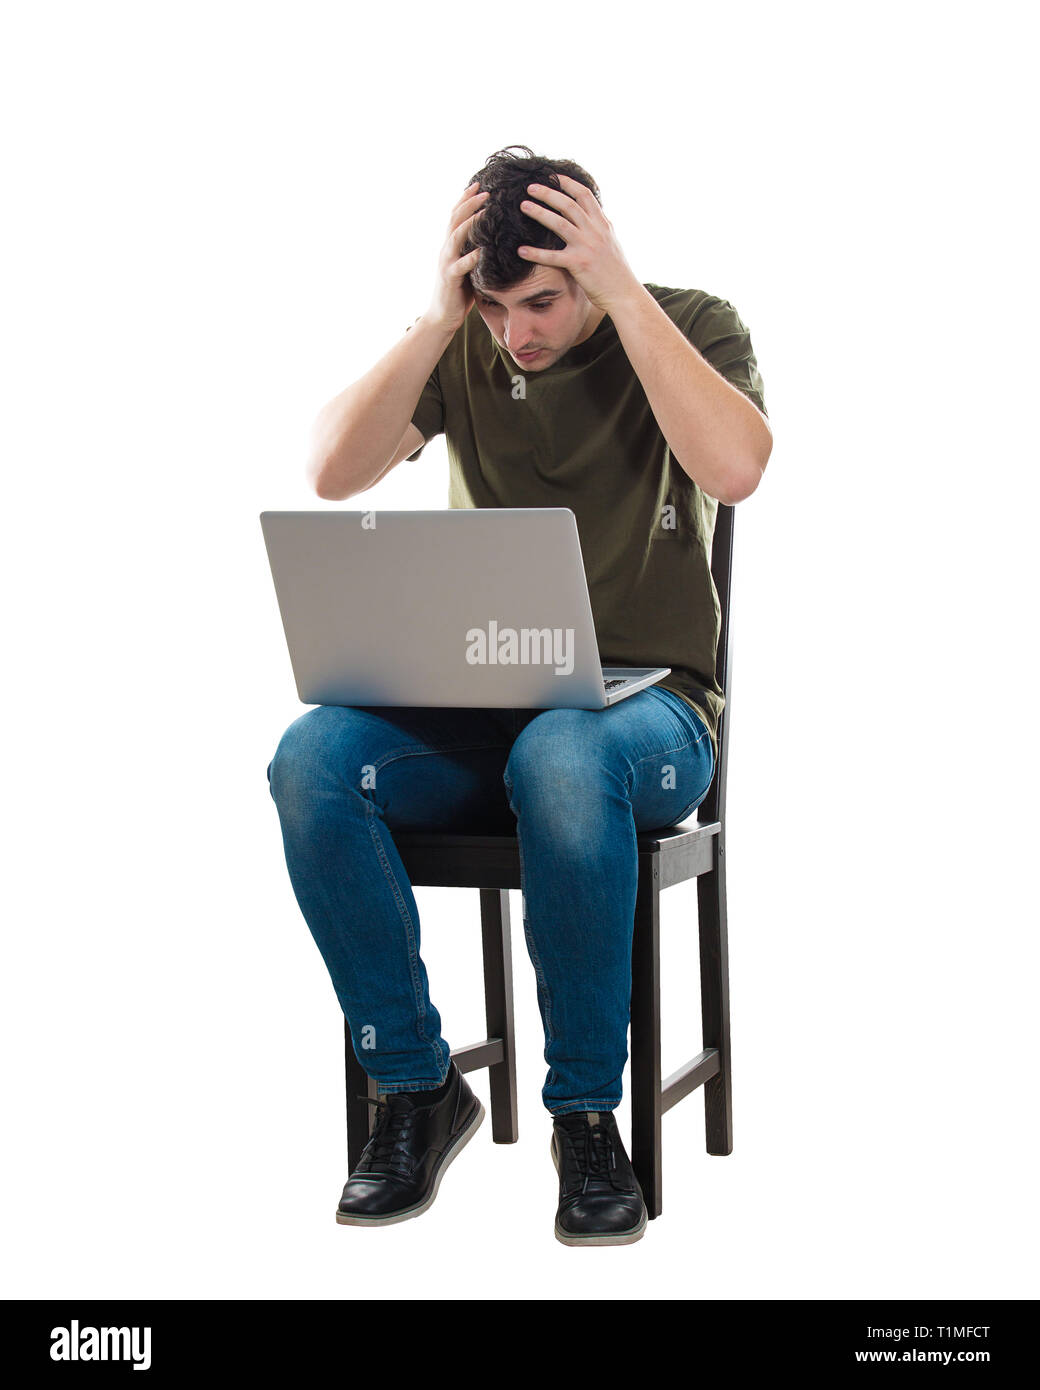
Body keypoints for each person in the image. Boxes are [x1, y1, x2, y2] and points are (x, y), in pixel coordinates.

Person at [267, 146, 771, 1246]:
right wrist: (435, 321)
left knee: (563, 752)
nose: (517, 334)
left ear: (589, 265)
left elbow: (736, 468)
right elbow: (331, 473)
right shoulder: (467, 344)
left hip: (652, 717)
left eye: (539, 301)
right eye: (493, 309)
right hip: (489, 714)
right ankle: (415, 1087)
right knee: (311, 759)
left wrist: (622, 291)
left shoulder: (690, 323)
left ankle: (584, 1117)